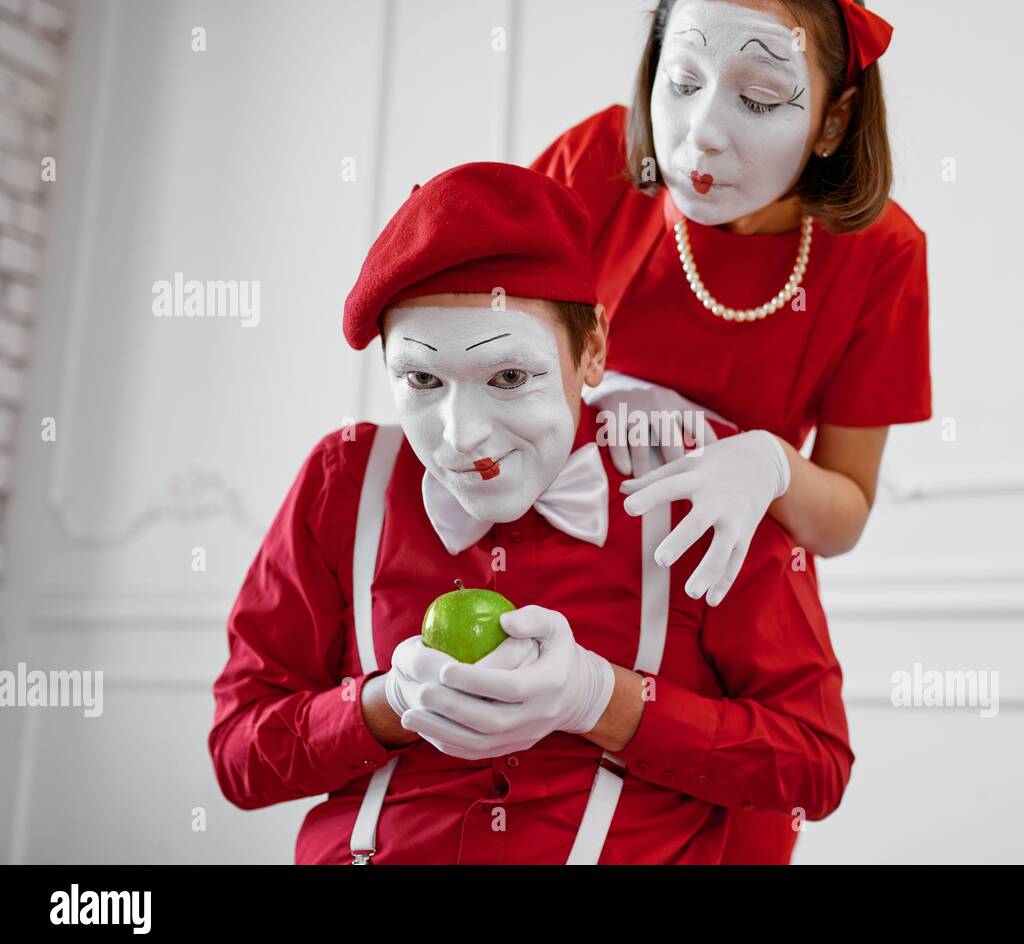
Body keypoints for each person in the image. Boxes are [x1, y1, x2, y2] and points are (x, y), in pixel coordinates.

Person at [208, 161, 853, 864]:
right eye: (422, 379)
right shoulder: (343, 480)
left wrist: (603, 701)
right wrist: (384, 706)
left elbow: (813, 767)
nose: (463, 437)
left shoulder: (699, 475)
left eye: (510, 377)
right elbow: (239, 756)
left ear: (593, 351)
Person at [531, 0, 930, 863]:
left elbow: (846, 512)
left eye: (757, 99)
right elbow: (474, 352)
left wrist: (772, 464)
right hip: (556, 591)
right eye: (681, 83)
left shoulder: (881, 253)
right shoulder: (596, 161)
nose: (699, 136)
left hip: (724, 631)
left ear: (834, 119)